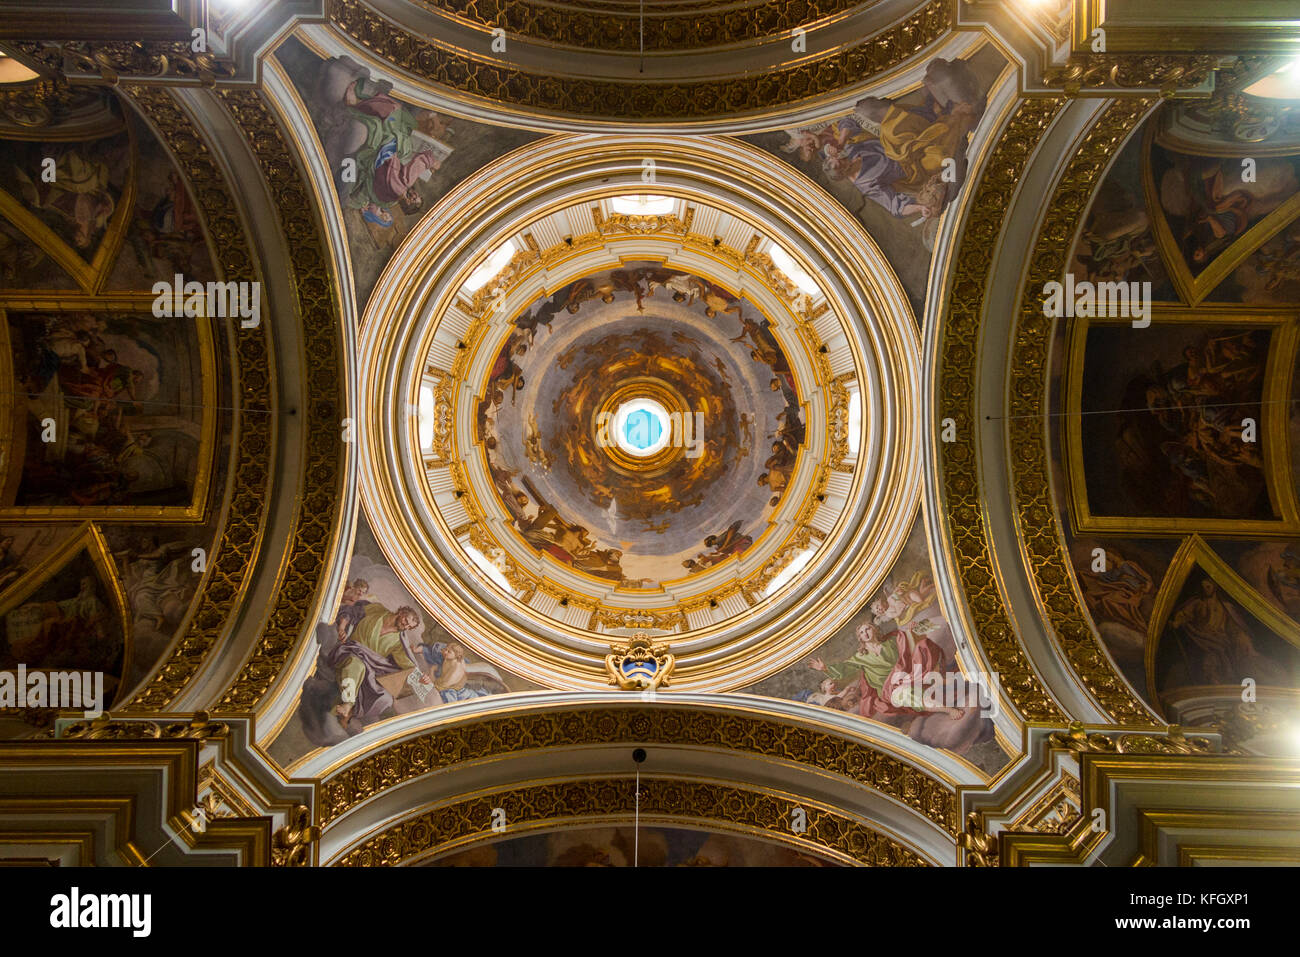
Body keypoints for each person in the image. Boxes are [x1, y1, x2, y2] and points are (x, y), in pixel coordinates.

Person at [328, 603, 422, 727]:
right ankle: (348, 703)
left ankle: (348, 714)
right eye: (406, 621)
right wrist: (342, 628)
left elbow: (407, 664)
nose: (406, 626)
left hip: (370, 668)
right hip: (349, 651)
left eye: (409, 627)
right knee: (357, 665)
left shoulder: (399, 642)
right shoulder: (377, 609)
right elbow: (351, 612)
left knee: (386, 698)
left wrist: (421, 677)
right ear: (401, 613)